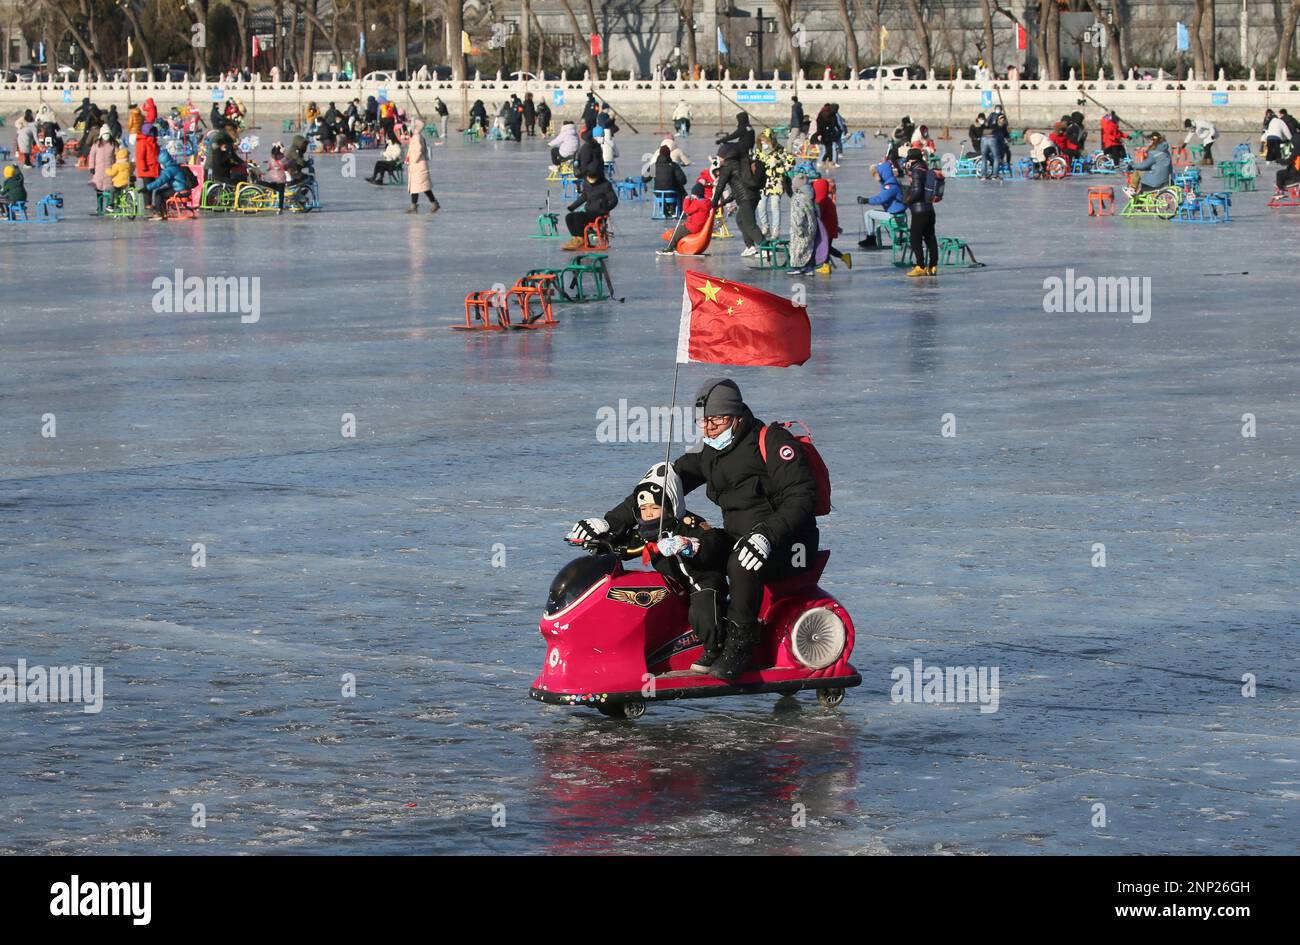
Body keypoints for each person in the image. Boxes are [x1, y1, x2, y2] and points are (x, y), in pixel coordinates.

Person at [567, 378, 820, 680]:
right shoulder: (710, 451)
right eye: (703, 421)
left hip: (788, 542)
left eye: (715, 420)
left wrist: (767, 535)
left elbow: (802, 496)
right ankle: (707, 629)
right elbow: (662, 487)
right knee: (696, 546)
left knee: (741, 561)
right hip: (741, 536)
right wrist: (610, 523)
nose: (708, 429)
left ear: (736, 416)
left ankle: (742, 645)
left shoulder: (774, 441)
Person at [580, 463, 728, 670]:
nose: (648, 513)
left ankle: (716, 648)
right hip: (674, 586)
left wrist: (687, 545)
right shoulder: (646, 532)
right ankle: (633, 652)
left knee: (702, 607)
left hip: (703, 578)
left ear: (670, 506)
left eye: (655, 508)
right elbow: (627, 547)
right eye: (644, 509)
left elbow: (713, 543)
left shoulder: (688, 523)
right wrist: (600, 543)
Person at [711, 144, 763, 256]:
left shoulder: (727, 166)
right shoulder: (740, 163)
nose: (718, 160)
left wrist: (714, 201)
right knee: (740, 219)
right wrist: (723, 202)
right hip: (752, 196)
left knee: (750, 224)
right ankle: (750, 246)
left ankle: (765, 247)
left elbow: (720, 186)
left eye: (719, 157)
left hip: (746, 199)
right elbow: (737, 188)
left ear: (724, 156)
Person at [901, 148, 938, 277]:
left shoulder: (916, 171)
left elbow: (917, 191)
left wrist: (907, 200)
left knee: (915, 238)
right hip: (929, 209)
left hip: (919, 211)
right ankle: (933, 266)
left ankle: (920, 266)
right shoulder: (925, 168)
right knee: (930, 237)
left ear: (911, 160)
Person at [561, 169, 618, 250]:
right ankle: (576, 238)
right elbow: (584, 196)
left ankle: (582, 240)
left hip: (599, 213)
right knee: (569, 217)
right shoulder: (586, 183)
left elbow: (614, 200)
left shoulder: (605, 184)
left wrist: (606, 209)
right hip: (589, 211)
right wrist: (572, 206)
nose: (591, 180)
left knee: (578, 217)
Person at [856, 157, 906, 249]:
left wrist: (866, 200)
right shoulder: (891, 182)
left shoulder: (890, 186)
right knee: (869, 213)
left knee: (868, 214)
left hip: (894, 217)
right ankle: (871, 238)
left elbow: (881, 199)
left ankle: (871, 239)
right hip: (897, 215)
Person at [755, 129, 793, 241]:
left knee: (775, 207)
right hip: (762, 183)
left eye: (765, 141)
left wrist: (779, 168)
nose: (763, 143)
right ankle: (765, 227)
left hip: (776, 182)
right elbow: (753, 163)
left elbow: (791, 162)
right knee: (761, 206)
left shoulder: (780, 150)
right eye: (761, 141)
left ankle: (776, 230)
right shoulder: (759, 151)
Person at [658, 182, 713, 255]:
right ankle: (677, 246)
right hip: (700, 226)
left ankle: (670, 248)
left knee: (678, 231)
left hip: (693, 227)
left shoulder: (697, 204)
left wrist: (687, 200)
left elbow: (686, 210)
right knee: (681, 228)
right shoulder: (706, 202)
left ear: (696, 195)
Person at [812, 173, 850, 271]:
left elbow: (819, 215)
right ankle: (843, 257)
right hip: (831, 228)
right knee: (827, 247)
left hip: (825, 229)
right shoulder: (828, 200)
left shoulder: (821, 200)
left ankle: (825, 266)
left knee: (824, 248)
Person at [144, 148, 191, 221]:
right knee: (164, 191)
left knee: (159, 193)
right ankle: (164, 212)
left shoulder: (169, 170)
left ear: (163, 162)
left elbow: (159, 182)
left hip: (178, 190)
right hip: (183, 189)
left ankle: (159, 213)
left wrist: (147, 187)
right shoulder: (174, 166)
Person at [404, 120, 440, 214]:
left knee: (423, 187)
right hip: (418, 165)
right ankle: (414, 205)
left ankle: (434, 203)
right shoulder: (417, 136)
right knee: (417, 187)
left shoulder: (416, 137)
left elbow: (418, 149)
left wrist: (413, 160)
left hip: (418, 165)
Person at [787, 172, 818, 275]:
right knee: (808, 248)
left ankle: (796, 267)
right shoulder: (810, 197)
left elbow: (798, 215)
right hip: (811, 228)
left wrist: (798, 228)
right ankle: (809, 267)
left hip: (801, 229)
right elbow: (817, 212)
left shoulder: (797, 199)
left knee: (797, 248)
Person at [1125, 131, 1172, 196]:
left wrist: (1132, 165)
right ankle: (1139, 198)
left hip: (1157, 181)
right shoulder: (1166, 151)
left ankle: (1132, 189)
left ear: (1153, 141)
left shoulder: (1154, 153)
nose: (1149, 143)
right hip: (1166, 179)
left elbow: (1144, 165)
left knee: (1138, 171)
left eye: (1150, 141)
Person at [653, 144, 687, 210]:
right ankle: (682, 210)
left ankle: (666, 209)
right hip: (672, 194)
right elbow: (683, 180)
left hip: (658, 194)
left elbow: (644, 179)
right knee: (681, 190)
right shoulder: (673, 166)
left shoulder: (653, 166)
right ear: (669, 154)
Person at [89, 127, 115, 198]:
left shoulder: (113, 144)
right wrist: (91, 167)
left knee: (109, 188)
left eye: (107, 134)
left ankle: (109, 205)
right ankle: (99, 207)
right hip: (98, 170)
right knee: (99, 188)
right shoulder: (96, 144)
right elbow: (92, 155)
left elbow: (118, 155)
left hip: (110, 170)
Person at [135, 125, 161, 192]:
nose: (153, 133)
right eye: (151, 131)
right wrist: (143, 167)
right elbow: (140, 156)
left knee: (152, 189)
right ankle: (147, 202)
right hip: (146, 170)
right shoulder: (142, 142)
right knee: (147, 190)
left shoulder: (154, 142)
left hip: (154, 168)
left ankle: (150, 202)